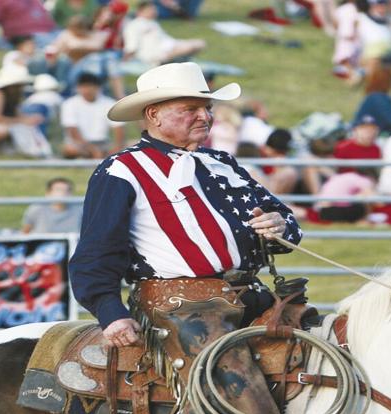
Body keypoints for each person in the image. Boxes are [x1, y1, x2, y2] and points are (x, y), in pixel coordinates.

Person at [69, 61, 301, 350]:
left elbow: (287, 223)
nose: (205, 116)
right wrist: (111, 312)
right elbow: (96, 251)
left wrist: (279, 226)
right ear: (154, 115)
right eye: (190, 109)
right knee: (231, 374)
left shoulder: (222, 162)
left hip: (252, 299)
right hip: (178, 307)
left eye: (207, 108)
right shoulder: (121, 170)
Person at [58, 71, 123, 157]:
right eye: (83, 87)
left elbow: (118, 128)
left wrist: (117, 147)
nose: (86, 91)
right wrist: (91, 149)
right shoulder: (69, 104)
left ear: (98, 88)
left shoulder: (109, 103)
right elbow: (72, 131)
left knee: (132, 144)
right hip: (79, 144)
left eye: (89, 87)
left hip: (102, 143)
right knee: (69, 149)